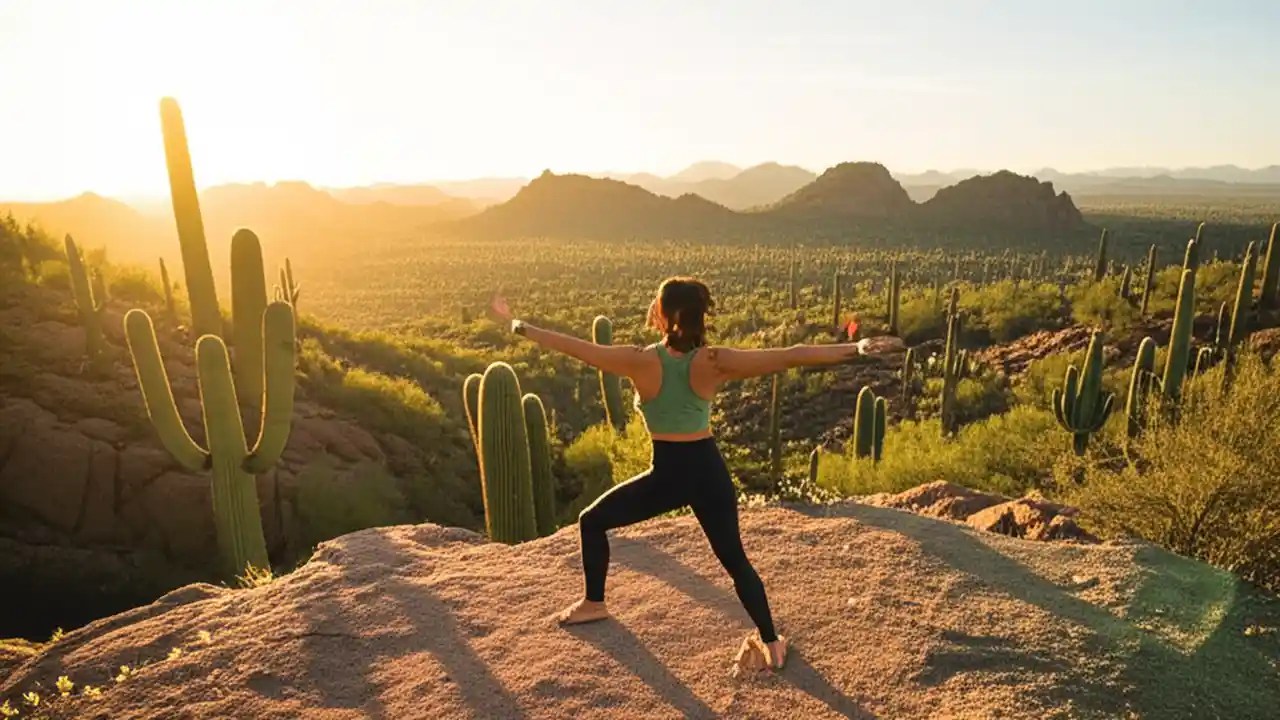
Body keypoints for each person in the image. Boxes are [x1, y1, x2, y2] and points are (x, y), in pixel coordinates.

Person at [489, 276, 874, 670]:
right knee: (735, 560)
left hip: (667, 476)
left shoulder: (639, 360)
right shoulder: (714, 361)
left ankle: (595, 602)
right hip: (708, 472)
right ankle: (772, 643)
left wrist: (518, 325)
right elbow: (791, 354)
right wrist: (857, 349)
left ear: (665, 314)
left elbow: (578, 348)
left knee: (592, 521)